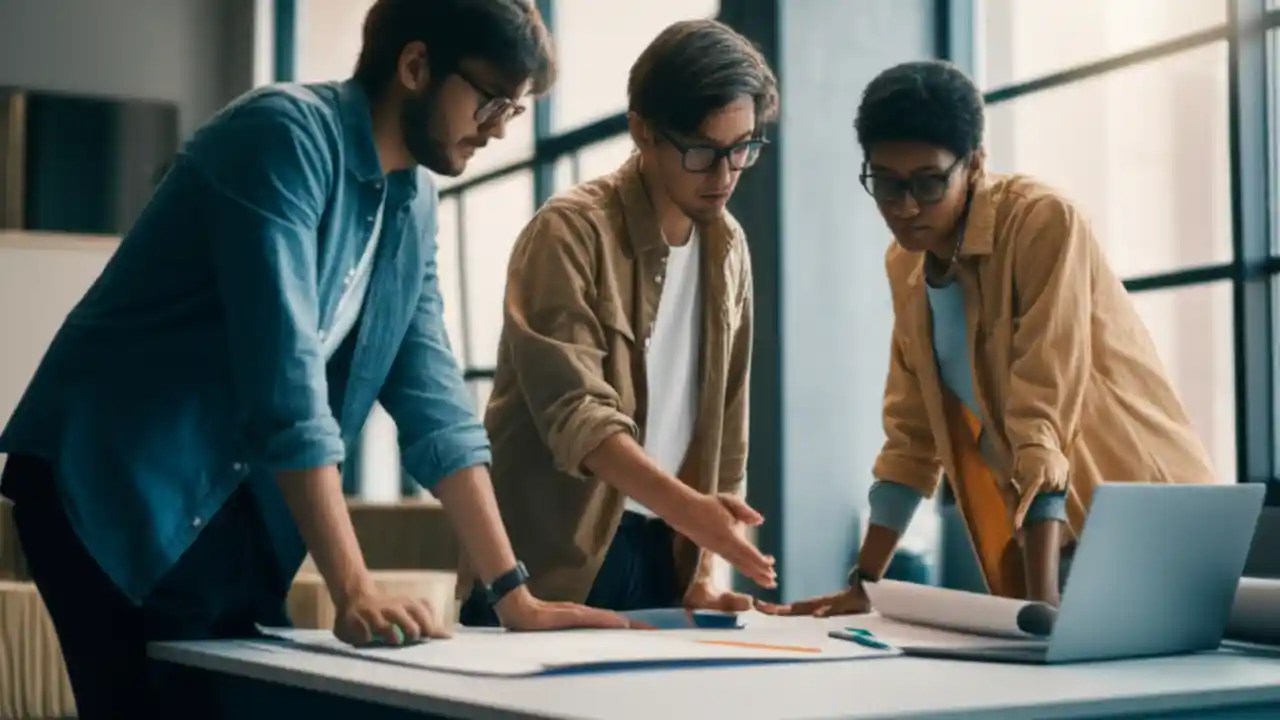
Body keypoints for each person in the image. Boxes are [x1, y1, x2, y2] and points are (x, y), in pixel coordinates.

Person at [0, 0, 630, 715]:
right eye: (492, 101)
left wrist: (511, 593)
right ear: (416, 66)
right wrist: (351, 584)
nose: (498, 129)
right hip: (109, 479)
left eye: (515, 111)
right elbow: (286, 381)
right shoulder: (281, 136)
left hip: (227, 500)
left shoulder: (411, 199)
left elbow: (432, 397)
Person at [765, 60, 1217, 617]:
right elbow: (911, 438)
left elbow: (1041, 414)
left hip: (1152, 523)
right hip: (1058, 541)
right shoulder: (907, 267)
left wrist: (1042, 603)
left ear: (974, 165)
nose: (904, 207)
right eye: (884, 183)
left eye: (928, 183)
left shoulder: (1042, 222)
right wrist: (865, 584)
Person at [458, 19, 779, 625]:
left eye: (743, 148)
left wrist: (703, 573)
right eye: (701, 151)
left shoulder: (729, 248)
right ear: (643, 131)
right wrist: (691, 512)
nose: (725, 174)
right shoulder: (569, 233)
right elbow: (578, 416)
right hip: (550, 561)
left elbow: (724, 428)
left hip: (665, 554)